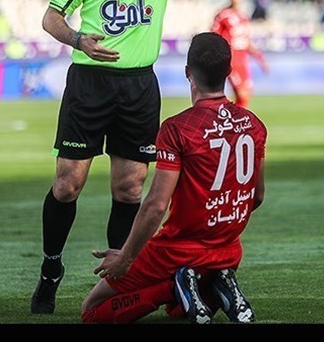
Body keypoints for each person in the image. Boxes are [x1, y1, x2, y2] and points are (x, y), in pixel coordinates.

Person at [30, 0, 223, 315]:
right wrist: (79, 40)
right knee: (67, 184)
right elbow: (50, 18)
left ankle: (119, 277)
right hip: (89, 83)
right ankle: (52, 265)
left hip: (139, 86)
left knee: (129, 185)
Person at [80, 32, 267, 324]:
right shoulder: (254, 125)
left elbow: (156, 205)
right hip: (228, 250)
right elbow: (257, 197)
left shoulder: (177, 129)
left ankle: (174, 285)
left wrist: (126, 257)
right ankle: (215, 283)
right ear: (229, 72)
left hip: (176, 250)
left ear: (187, 72)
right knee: (180, 311)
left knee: (92, 311)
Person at [211, 0, 269, 108]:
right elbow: (213, 37)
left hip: (243, 61)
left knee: (245, 98)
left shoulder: (243, 17)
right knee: (242, 95)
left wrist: (260, 59)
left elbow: (247, 41)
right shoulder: (223, 15)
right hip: (231, 61)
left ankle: (232, 121)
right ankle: (230, 120)